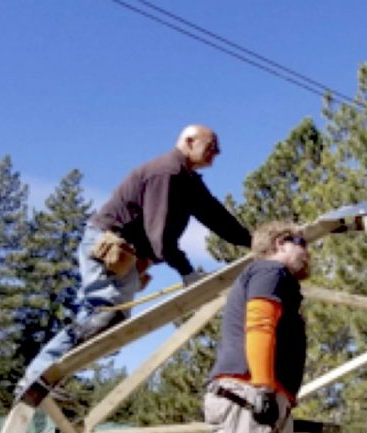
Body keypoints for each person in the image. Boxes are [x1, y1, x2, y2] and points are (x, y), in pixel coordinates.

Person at [15, 125, 252, 405]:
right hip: (110, 247)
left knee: (108, 323)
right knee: (103, 314)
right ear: (189, 141)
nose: (217, 153)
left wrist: (256, 241)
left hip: (126, 255)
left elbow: (216, 216)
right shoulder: (166, 172)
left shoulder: (187, 180)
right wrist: (187, 271)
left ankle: (46, 380)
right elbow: (159, 233)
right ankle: (36, 377)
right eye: (211, 145)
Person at [190, 221, 310, 433]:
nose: (307, 252)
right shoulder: (272, 272)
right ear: (281, 242)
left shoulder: (260, 275)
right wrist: (264, 388)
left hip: (236, 397)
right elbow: (260, 323)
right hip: (251, 398)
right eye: (302, 243)